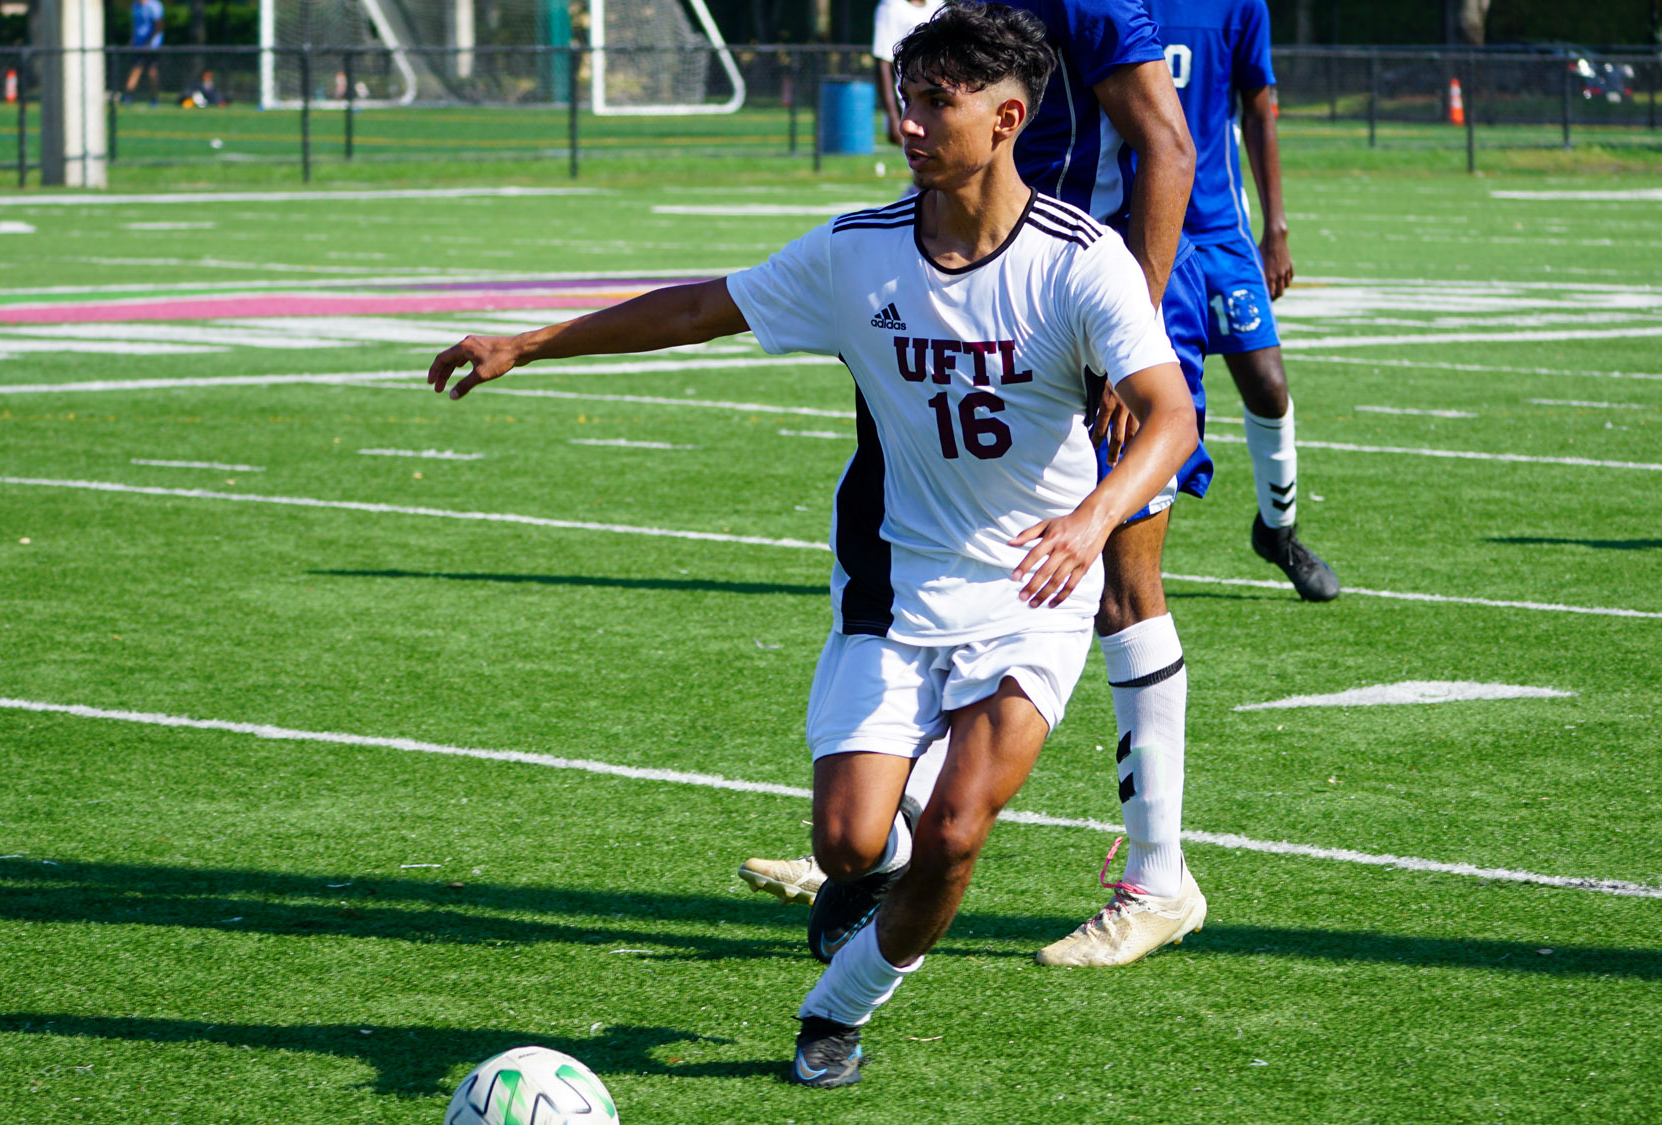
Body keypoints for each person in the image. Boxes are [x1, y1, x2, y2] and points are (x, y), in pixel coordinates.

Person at [429, 3, 1197, 1087]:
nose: (910, 123)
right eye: (905, 98)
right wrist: (528, 342)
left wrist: (1089, 518)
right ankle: (866, 879)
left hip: (1033, 588)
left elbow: (1171, 417)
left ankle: (835, 1012)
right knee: (848, 843)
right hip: (893, 581)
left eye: (936, 102)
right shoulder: (857, 252)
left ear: (1008, 117)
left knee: (958, 834)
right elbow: (704, 307)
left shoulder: (1081, 263)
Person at [744, 0, 1215, 972]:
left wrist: (1136, 331)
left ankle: (1157, 876)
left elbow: (1166, 147)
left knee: (1119, 585)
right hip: (958, 283)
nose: (906, 119)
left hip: (1084, 312)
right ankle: (875, 832)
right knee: (920, 515)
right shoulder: (966, 24)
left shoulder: (1082, 9)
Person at [1155, 0, 1336, 604]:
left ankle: (1278, 532)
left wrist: (1276, 226)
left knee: (1267, 384)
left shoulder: (1240, 5)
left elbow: (1259, 110)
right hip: (1137, 226)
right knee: (1127, 397)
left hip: (1216, 230)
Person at [871, 0, 945, 147]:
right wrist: (893, 117)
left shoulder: (939, 5)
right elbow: (883, 63)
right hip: (910, 102)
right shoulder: (890, 7)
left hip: (940, 98)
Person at [123, 0, 165, 105]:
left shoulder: (154, 6)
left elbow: (159, 25)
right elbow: (135, 25)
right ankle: (128, 96)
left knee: (152, 71)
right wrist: (132, 40)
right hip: (138, 45)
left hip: (152, 46)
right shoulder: (135, 5)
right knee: (136, 69)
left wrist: (149, 42)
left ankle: (155, 97)